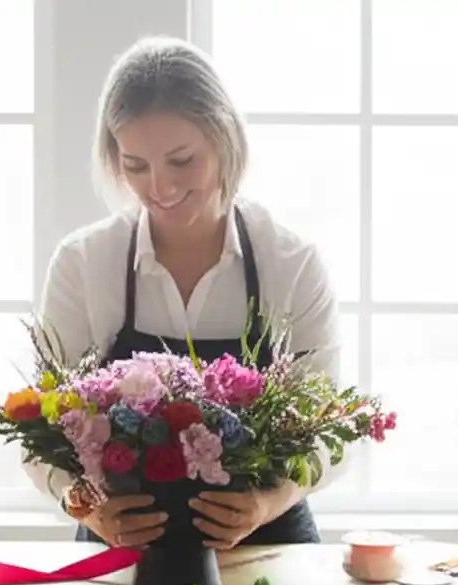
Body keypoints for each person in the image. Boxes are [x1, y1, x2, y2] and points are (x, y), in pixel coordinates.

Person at [28, 36, 343, 551]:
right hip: (122, 549)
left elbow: (331, 431)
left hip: (267, 546)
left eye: (181, 159)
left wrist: (265, 503)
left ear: (224, 140)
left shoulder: (292, 264)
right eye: (135, 165)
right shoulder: (84, 264)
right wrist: (84, 503)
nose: (160, 187)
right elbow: (39, 432)